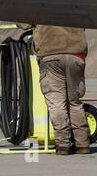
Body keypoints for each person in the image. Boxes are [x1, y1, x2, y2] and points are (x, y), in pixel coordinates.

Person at [23, 24, 90, 154]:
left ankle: (63, 144)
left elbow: (23, 23)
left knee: (57, 102)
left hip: (50, 55)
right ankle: (83, 144)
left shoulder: (40, 4)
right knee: (74, 102)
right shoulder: (77, 3)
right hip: (76, 55)